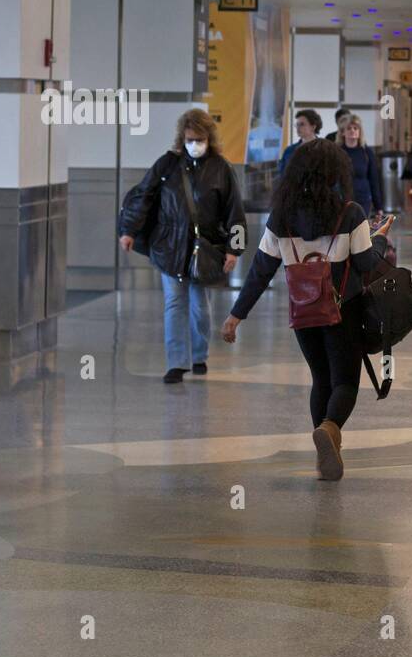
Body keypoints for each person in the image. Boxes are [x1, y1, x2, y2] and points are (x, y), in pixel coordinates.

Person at [222, 140, 394, 482]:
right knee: (345, 381)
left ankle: (325, 448)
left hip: (304, 313)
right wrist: (378, 240)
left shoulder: (281, 218)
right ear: (335, 174)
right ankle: (330, 430)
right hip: (345, 311)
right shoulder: (350, 213)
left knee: (321, 379)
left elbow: (261, 270)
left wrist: (235, 315)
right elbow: (364, 263)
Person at [118, 109, 246, 384]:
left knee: (200, 307)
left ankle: (198, 354)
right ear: (182, 138)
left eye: (199, 139)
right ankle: (177, 363)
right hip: (169, 248)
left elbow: (235, 211)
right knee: (175, 303)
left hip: (206, 249)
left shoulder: (221, 169)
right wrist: (128, 231)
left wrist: (234, 249)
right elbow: (143, 197)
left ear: (209, 139)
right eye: (190, 139)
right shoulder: (167, 165)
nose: (194, 144)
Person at [338, 114, 383, 217]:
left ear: (359, 132)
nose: (352, 130)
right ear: (343, 132)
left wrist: (378, 207)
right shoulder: (338, 152)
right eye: (349, 128)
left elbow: (374, 180)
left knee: (360, 230)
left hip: (363, 200)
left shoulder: (366, 153)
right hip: (342, 200)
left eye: (355, 128)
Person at [280, 109, 321, 176]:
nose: (298, 128)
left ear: (313, 127)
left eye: (302, 124)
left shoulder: (325, 149)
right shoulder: (289, 150)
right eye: (297, 125)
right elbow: (282, 175)